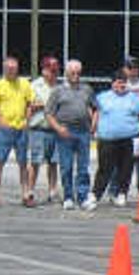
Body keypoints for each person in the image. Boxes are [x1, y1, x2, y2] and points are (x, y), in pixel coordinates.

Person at [88, 69, 139, 210]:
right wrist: (93, 128)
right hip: (107, 139)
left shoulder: (133, 98)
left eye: (123, 83)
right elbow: (96, 112)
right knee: (105, 168)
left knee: (126, 168)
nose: (121, 85)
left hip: (128, 139)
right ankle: (95, 195)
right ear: (112, 83)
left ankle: (121, 194)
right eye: (118, 82)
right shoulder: (102, 97)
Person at [46, 59, 98, 210]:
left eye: (78, 73)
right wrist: (58, 128)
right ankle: (68, 197)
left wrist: (94, 125)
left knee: (83, 167)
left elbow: (96, 108)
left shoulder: (87, 89)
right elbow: (48, 113)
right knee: (66, 166)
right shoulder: (58, 91)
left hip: (83, 132)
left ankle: (82, 197)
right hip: (65, 132)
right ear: (66, 73)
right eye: (73, 72)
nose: (76, 75)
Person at [103, 56, 139, 200]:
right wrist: (138, 100)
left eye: (136, 68)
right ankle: (115, 191)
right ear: (124, 69)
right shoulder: (120, 83)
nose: (133, 71)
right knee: (119, 162)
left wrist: (132, 100)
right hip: (123, 129)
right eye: (130, 67)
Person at [0, 56, 35, 207]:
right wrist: (0, 122)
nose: (12, 71)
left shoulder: (24, 83)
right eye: (9, 68)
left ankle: (25, 194)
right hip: (5, 130)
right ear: (4, 69)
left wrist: (27, 120)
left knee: (23, 163)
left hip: (21, 129)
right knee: (0, 162)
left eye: (14, 68)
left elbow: (30, 103)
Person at [25, 56, 61, 204]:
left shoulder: (60, 87)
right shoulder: (34, 86)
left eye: (56, 70)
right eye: (51, 70)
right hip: (38, 129)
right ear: (44, 70)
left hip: (55, 130)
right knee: (35, 162)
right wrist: (34, 107)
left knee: (53, 162)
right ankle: (29, 191)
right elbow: (25, 106)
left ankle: (52, 192)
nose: (54, 73)